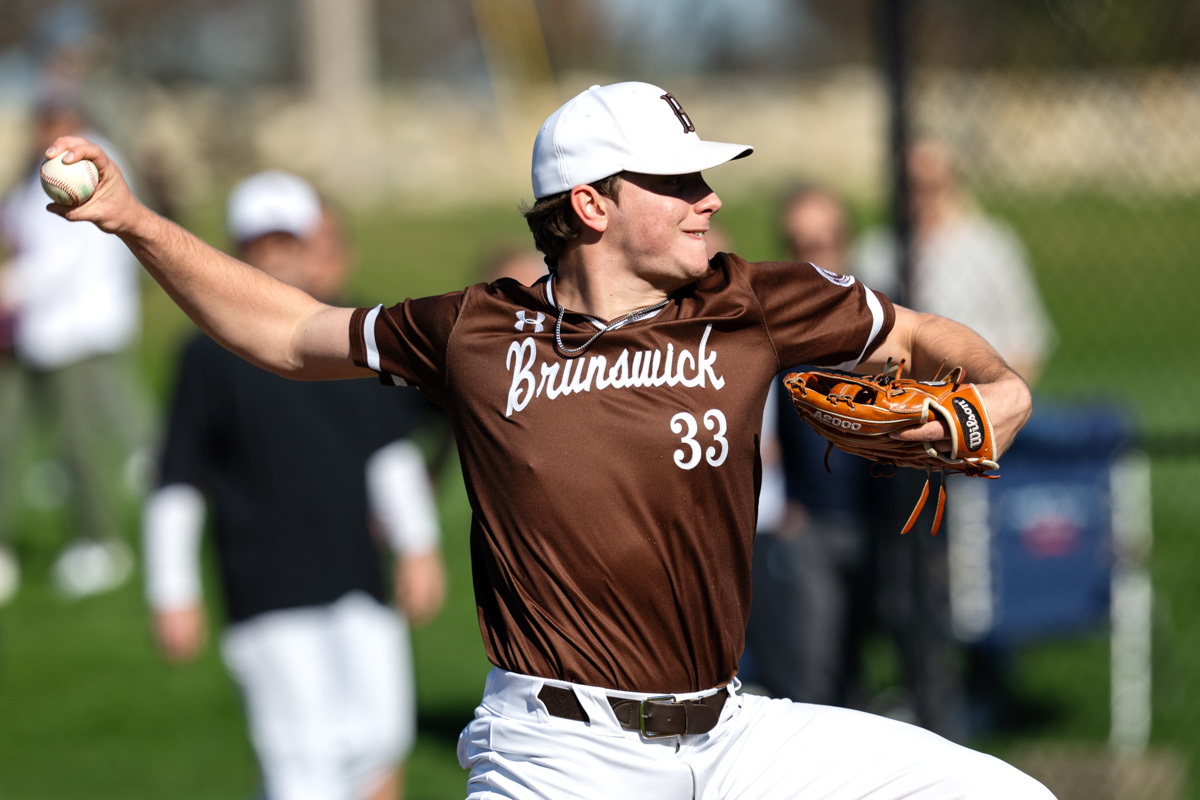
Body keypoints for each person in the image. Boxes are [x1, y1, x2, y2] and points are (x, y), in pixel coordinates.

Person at [49, 81, 1053, 799]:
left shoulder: (752, 301)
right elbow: (284, 330)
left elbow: (920, 335)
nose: (708, 198)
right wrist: (132, 218)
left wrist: (1001, 389)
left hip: (734, 732)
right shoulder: (476, 333)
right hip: (558, 755)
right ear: (591, 203)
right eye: (676, 181)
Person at [142, 170, 447, 800]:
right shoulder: (208, 355)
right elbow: (178, 480)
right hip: (268, 589)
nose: (277, 256)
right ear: (237, 250)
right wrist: (172, 590)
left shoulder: (352, 335)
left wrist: (418, 546)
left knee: (379, 741)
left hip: (358, 577)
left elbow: (386, 450)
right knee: (299, 760)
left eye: (288, 241)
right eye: (262, 243)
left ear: (312, 244)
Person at [0, 93, 153, 603]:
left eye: (58, 121)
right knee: (8, 437)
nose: (47, 131)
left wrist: (12, 285)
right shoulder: (34, 170)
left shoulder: (94, 164)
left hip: (79, 330)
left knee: (79, 444)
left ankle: (101, 545)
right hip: (32, 330)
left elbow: (75, 255)